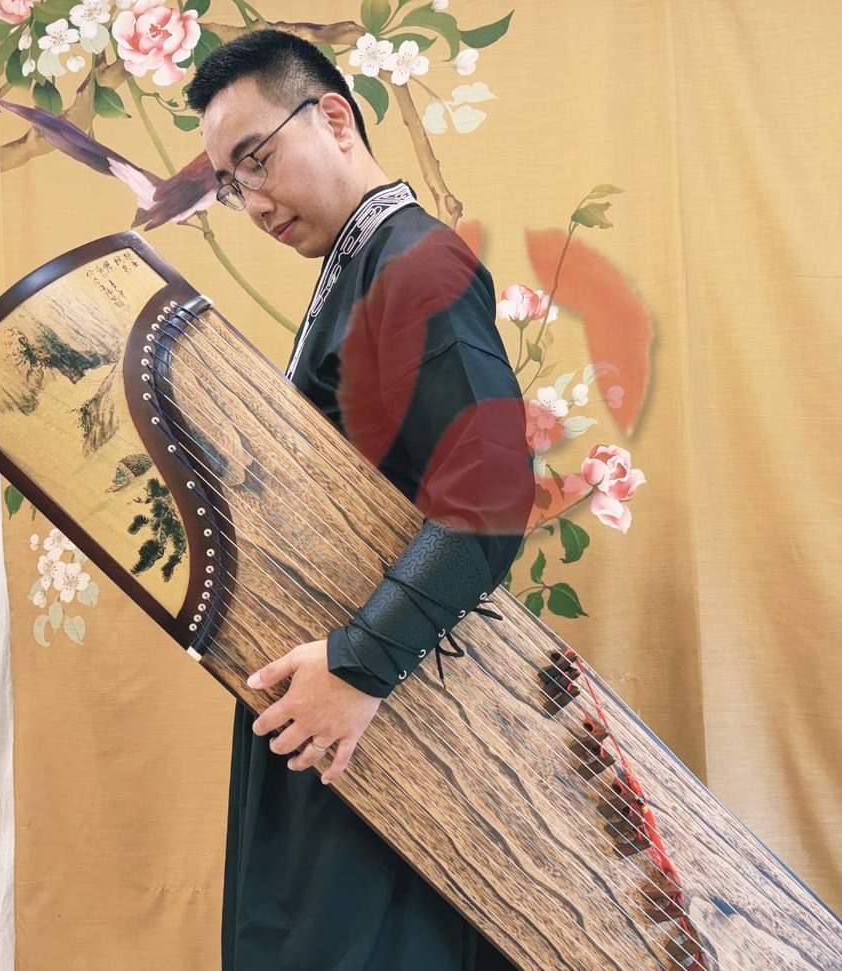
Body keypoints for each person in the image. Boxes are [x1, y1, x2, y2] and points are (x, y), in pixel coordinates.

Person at [185, 28, 535, 971]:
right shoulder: (359, 263)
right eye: (230, 181)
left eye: (256, 160)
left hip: (384, 711)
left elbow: (490, 498)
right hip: (341, 714)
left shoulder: (415, 263)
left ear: (334, 117)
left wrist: (359, 664)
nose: (251, 201)